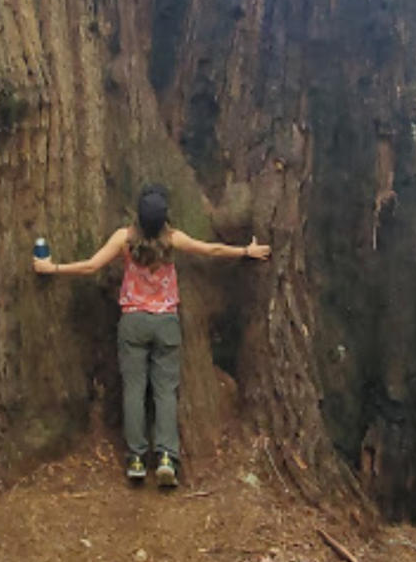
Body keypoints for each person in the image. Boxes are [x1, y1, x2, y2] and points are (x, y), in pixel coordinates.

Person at [33, 183, 271, 487]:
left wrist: (51, 268)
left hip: (133, 322)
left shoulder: (125, 238)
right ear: (164, 216)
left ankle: (135, 459)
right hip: (166, 323)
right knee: (164, 392)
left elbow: (91, 266)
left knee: (134, 390)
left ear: (139, 215)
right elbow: (211, 249)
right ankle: (167, 458)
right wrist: (246, 251)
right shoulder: (173, 239)